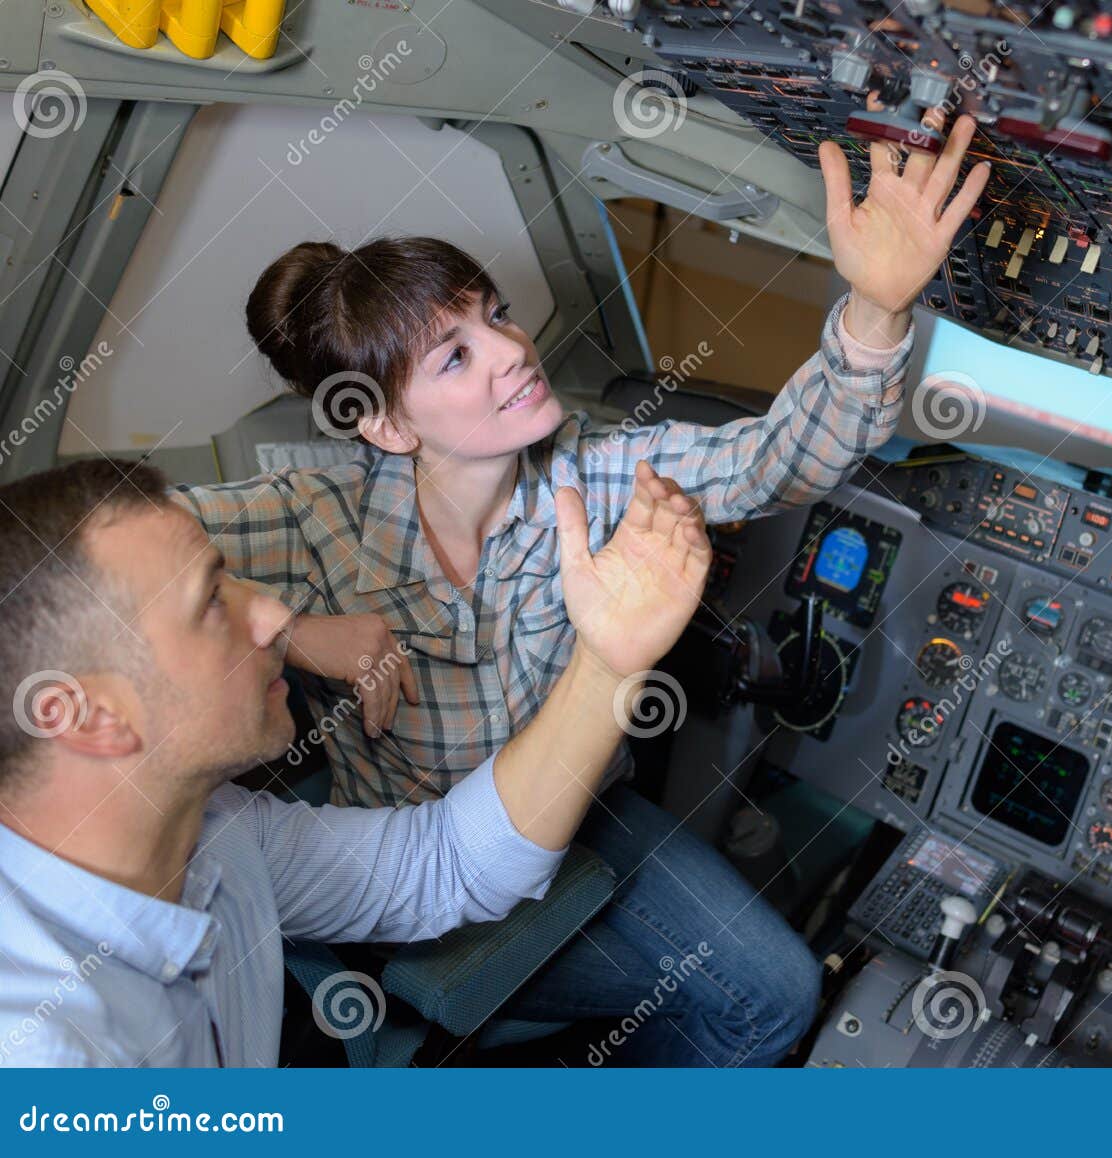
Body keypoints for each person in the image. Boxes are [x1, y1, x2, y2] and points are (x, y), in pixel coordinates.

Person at [172, 115, 991, 1065]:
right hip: (409, 870)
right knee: (759, 1000)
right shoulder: (314, 518)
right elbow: (88, 552)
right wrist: (296, 629)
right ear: (390, 427)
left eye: (496, 316)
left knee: (777, 993)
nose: (512, 350)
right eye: (455, 356)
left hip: (585, 816)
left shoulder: (591, 476)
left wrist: (876, 309)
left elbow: (777, 461)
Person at [0, 456, 711, 1067]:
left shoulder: (218, 832)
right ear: (87, 718)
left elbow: (446, 865)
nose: (274, 617)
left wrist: (606, 664)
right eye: (212, 600)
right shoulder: (39, 1048)